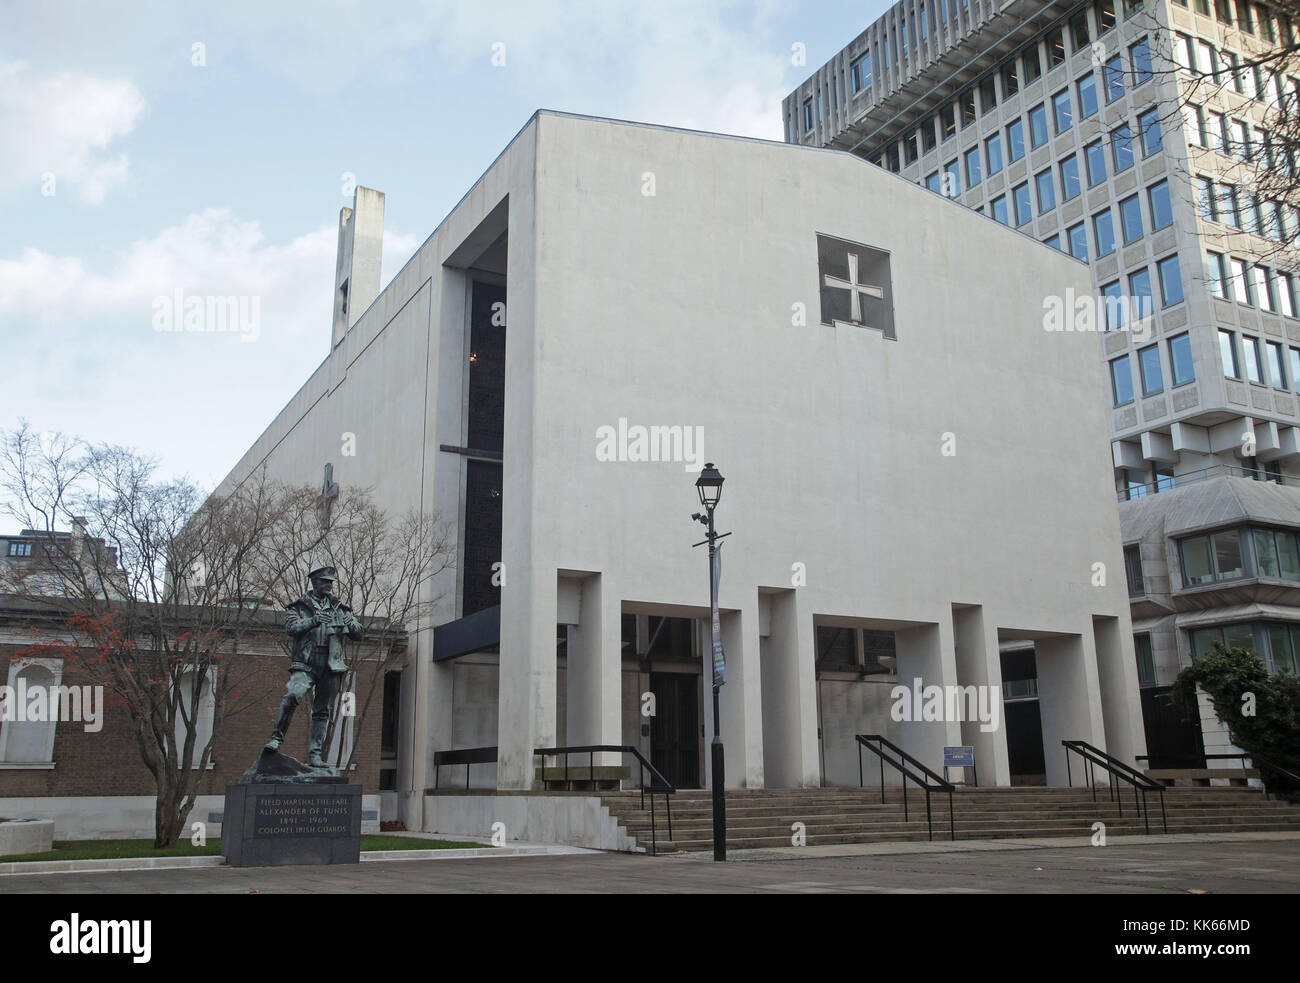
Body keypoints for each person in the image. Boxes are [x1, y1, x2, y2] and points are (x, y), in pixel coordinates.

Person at [264, 566, 363, 767]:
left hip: (331, 664)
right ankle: (276, 738)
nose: (329, 585)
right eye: (325, 581)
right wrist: (314, 620)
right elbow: (291, 628)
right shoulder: (298, 606)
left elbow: (359, 633)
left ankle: (315, 755)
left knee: (322, 711)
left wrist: (351, 625)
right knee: (292, 695)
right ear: (314, 582)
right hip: (306, 662)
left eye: (330, 582)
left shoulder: (340, 608)